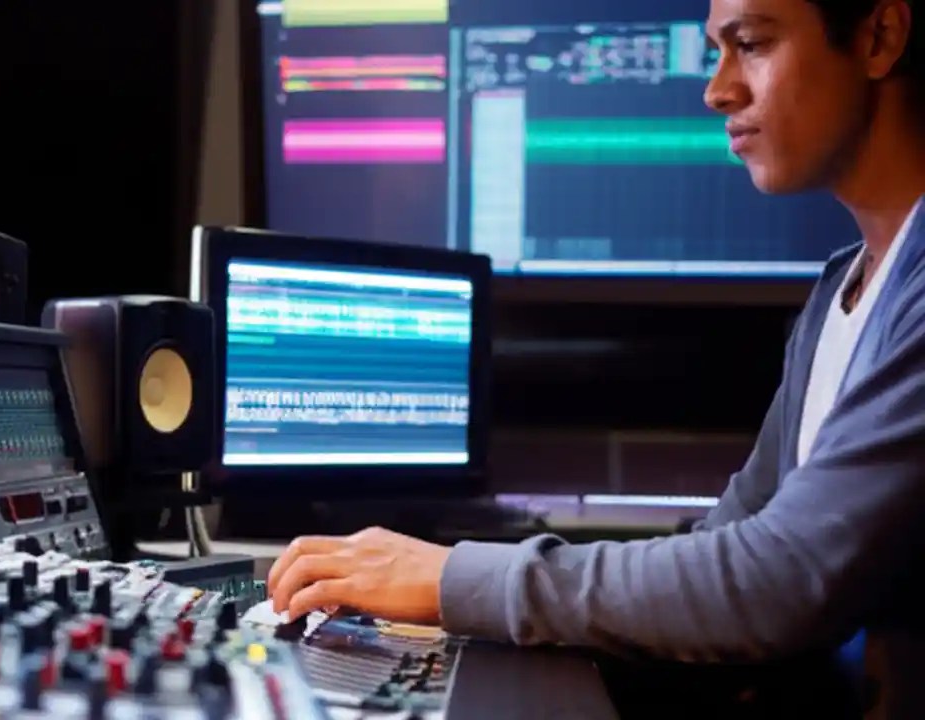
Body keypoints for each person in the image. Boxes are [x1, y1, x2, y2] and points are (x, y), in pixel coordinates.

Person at [267, 0, 925, 716]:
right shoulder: (844, 287)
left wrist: (453, 579)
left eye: (752, 44)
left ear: (879, 36)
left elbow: (777, 582)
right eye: (717, 50)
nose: (718, 89)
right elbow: (729, 551)